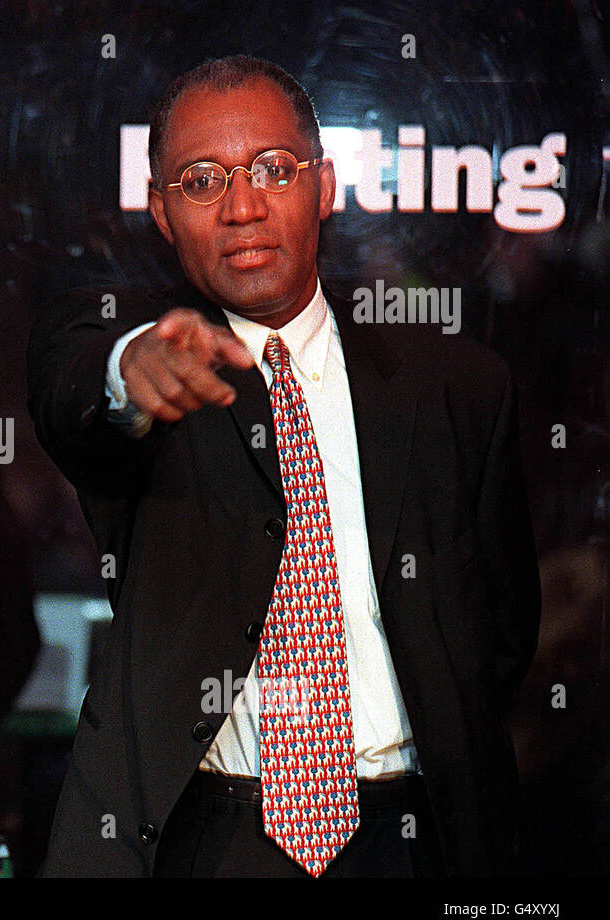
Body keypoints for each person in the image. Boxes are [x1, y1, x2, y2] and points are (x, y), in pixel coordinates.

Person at [28, 55, 540, 876]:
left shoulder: (459, 387)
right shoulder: (146, 359)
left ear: (325, 185)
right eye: (201, 181)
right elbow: (76, 396)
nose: (242, 205)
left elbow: (503, 633)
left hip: (421, 839)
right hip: (209, 836)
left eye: (273, 168)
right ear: (161, 211)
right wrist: (132, 372)